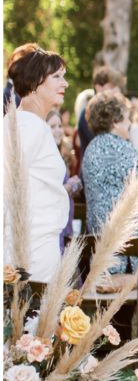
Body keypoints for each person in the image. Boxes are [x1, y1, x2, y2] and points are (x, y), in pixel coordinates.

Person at [81, 91, 138, 333]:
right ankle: (121, 339)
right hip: (127, 238)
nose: (130, 123)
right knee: (124, 294)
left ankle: (109, 338)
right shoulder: (124, 148)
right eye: (127, 118)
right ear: (115, 120)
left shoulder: (90, 149)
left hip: (99, 236)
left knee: (107, 294)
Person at [3, 44, 70, 282]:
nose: (65, 84)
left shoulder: (30, 124)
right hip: (30, 249)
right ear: (35, 82)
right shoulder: (28, 126)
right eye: (57, 77)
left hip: (39, 245)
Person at [46, 108, 81, 251]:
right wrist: (71, 184)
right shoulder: (45, 158)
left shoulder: (57, 154)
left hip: (65, 222)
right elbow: (52, 191)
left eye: (60, 126)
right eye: (52, 126)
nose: (59, 130)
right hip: (54, 225)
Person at [77, 65, 125, 156]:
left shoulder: (112, 112)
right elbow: (103, 145)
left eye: (117, 87)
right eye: (112, 86)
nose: (117, 90)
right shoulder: (88, 113)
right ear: (98, 87)